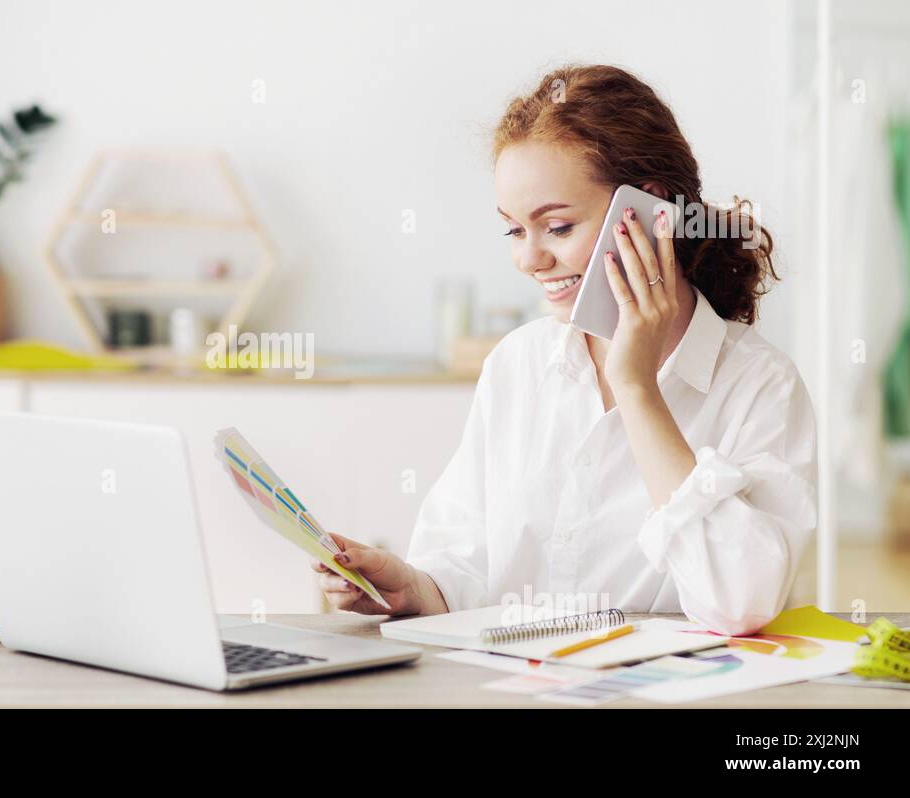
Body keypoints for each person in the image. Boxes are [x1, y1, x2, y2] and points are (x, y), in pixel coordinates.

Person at [313, 64, 816, 636]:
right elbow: (465, 567)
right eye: (513, 230)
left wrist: (637, 389)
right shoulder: (518, 364)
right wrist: (413, 588)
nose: (528, 260)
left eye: (555, 227)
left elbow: (740, 603)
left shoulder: (762, 385)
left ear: (649, 214)